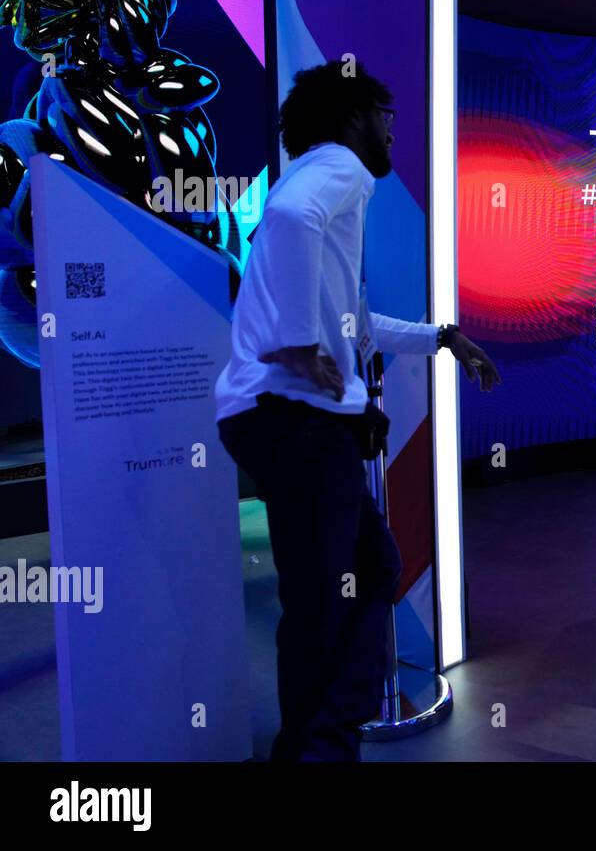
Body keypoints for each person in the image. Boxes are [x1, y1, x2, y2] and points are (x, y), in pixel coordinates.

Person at [214, 61, 501, 761]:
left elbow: (356, 318)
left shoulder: (318, 175)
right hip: (295, 420)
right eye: (386, 118)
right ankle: (319, 750)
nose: (393, 133)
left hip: (287, 420)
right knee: (325, 599)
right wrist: (296, 345)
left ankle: (315, 743)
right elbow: (288, 219)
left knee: (366, 573)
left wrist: (441, 338)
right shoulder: (340, 167)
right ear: (350, 120)